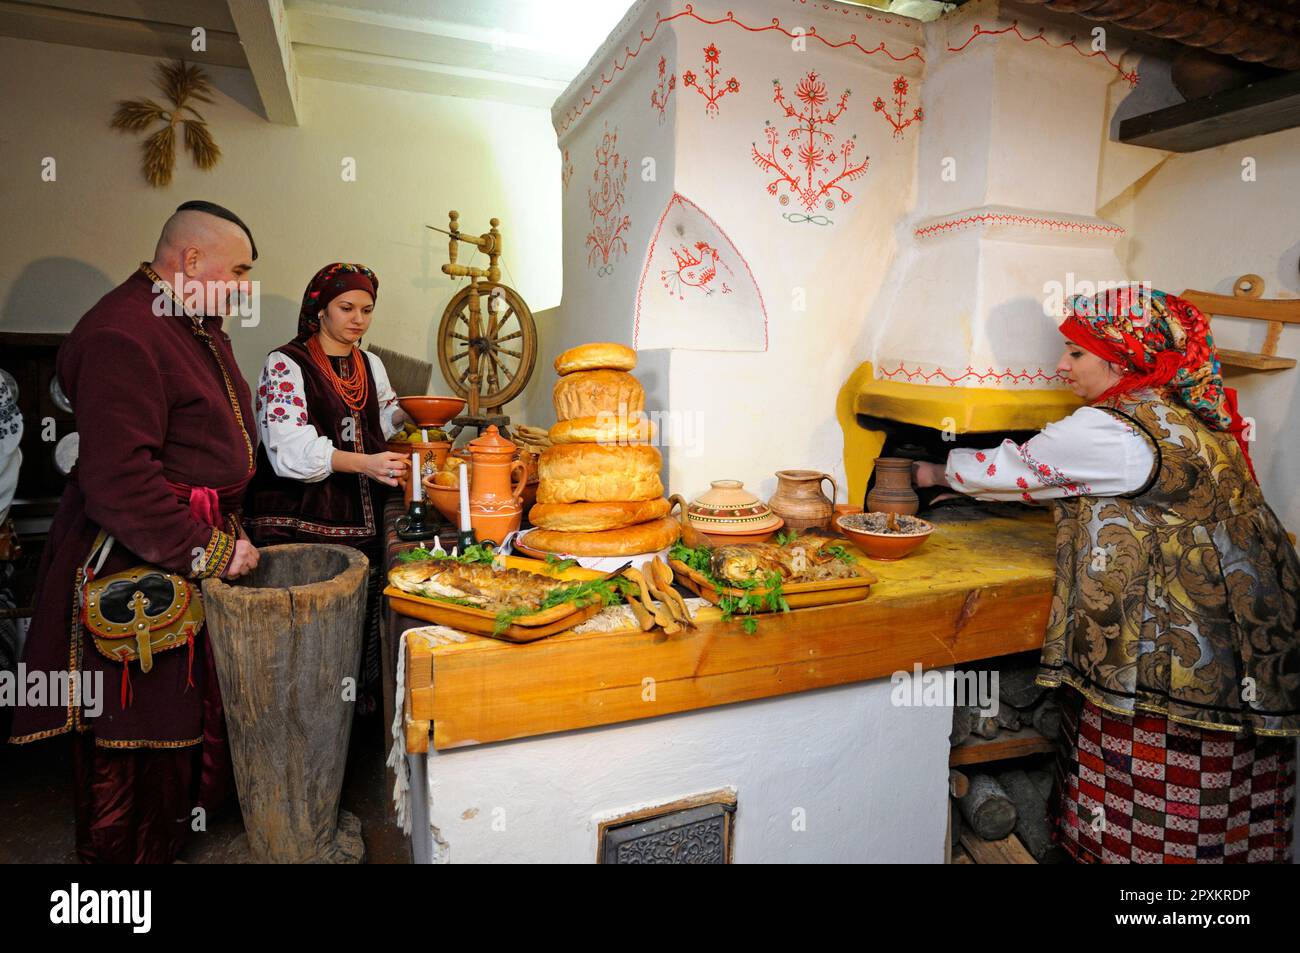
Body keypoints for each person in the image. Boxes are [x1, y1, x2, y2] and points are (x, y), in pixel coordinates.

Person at [915, 286, 1299, 863]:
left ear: (1121, 358)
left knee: (1157, 784)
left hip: (1175, 644)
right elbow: (1076, 480)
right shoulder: (1187, 409)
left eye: (1075, 354)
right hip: (1245, 632)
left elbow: (1015, 470)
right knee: (1225, 792)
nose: (1060, 367)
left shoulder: (1110, 429)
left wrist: (929, 471)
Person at [7, 200, 262, 863]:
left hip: (179, 548)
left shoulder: (187, 323)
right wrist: (208, 548)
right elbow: (118, 480)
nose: (243, 289)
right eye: (238, 272)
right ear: (192, 260)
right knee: (134, 748)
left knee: (174, 741)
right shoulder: (124, 330)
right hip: (136, 570)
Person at [244, 263, 408, 712]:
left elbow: (383, 416)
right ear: (320, 310)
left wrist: (410, 412)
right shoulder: (285, 363)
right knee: (306, 628)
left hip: (364, 514)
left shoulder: (369, 363)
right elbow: (287, 447)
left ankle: (348, 716)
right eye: (347, 307)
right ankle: (297, 713)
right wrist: (364, 463)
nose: (358, 319)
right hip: (300, 517)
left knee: (355, 626)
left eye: (367, 309)